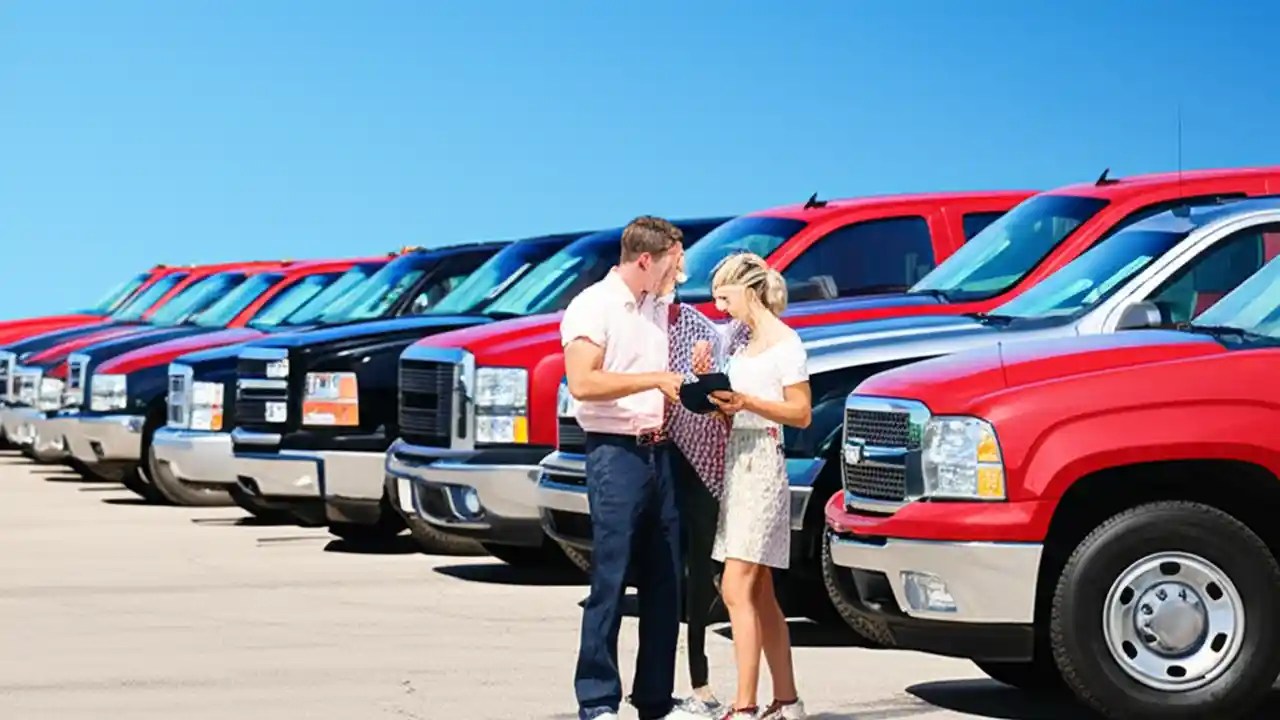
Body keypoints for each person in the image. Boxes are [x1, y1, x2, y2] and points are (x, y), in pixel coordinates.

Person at [560, 215, 703, 720]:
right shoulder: (593, 306)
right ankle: (597, 699)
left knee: (666, 581)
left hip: (660, 451)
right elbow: (583, 382)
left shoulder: (660, 307)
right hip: (614, 453)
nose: (678, 273)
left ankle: (655, 699)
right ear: (646, 259)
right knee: (612, 578)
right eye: (673, 263)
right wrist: (652, 380)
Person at [703, 252, 811, 720]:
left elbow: (800, 412)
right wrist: (721, 396)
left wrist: (748, 401)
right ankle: (787, 700)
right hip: (737, 458)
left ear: (747, 291)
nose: (719, 308)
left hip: (764, 461)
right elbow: (741, 404)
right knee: (760, 588)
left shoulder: (786, 344)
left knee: (736, 587)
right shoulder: (743, 345)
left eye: (723, 297)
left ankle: (744, 706)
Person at [661, 253, 751, 718]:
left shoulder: (701, 328)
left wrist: (708, 381)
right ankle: (655, 686)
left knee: (701, 576)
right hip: (653, 454)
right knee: (659, 575)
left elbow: (719, 392)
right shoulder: (635, 324)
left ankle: (699, 680)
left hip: (700, 462)